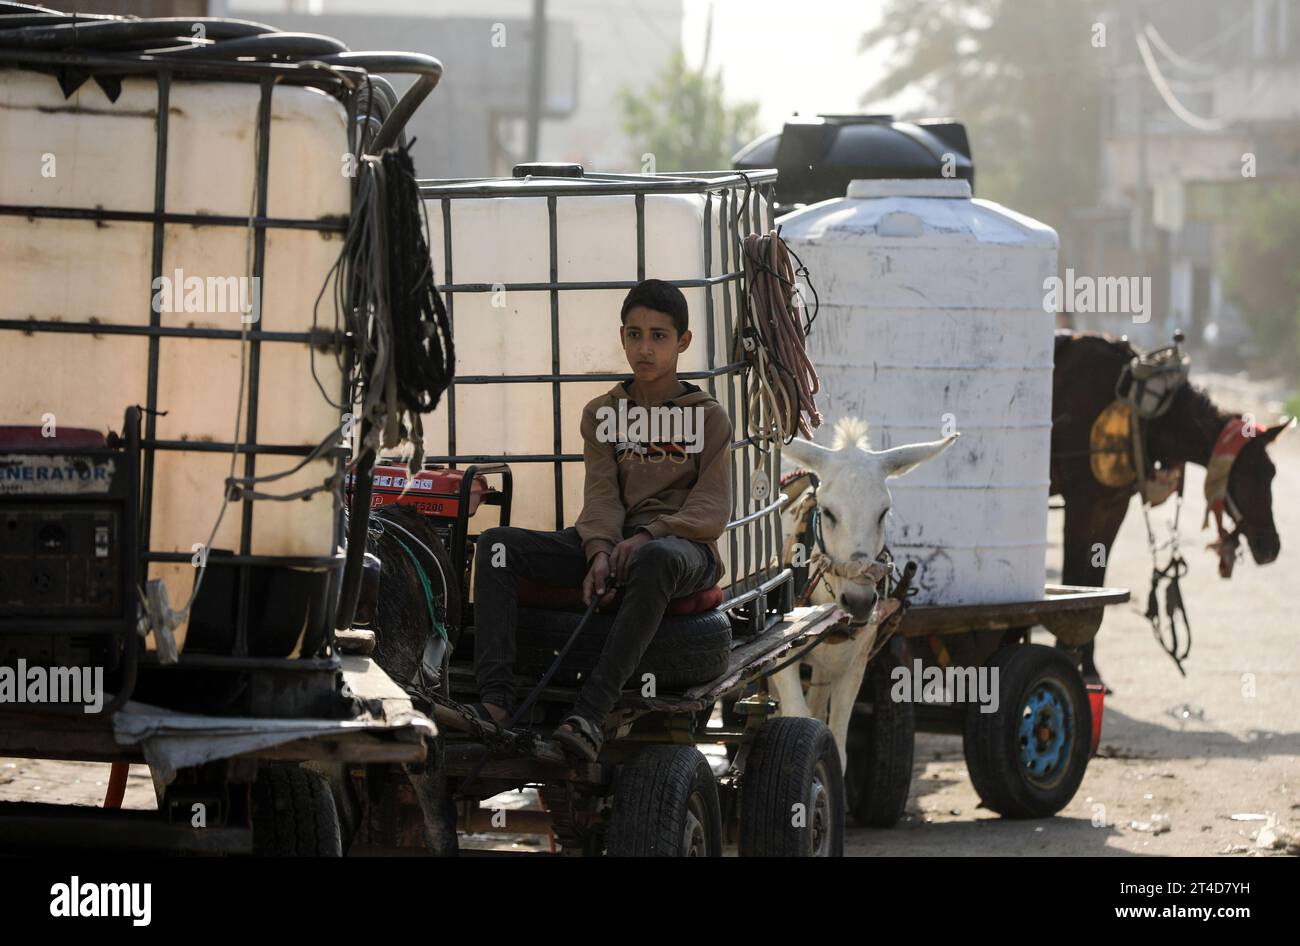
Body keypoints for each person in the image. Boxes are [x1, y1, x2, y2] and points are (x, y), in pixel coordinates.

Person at [468, 279, 733, 761]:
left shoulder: (708, 417)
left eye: (658, 336)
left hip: (682, 548)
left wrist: (648, 535)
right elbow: (602, 498)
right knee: (496, 546)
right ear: (622, 336)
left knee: (654, 558)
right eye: (634, 334)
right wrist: (600, 553)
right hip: (612, 541)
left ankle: (590, 715)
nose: (644, 348)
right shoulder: (603, 413)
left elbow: (710, 511)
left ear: (684, 342)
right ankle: (496, 702)